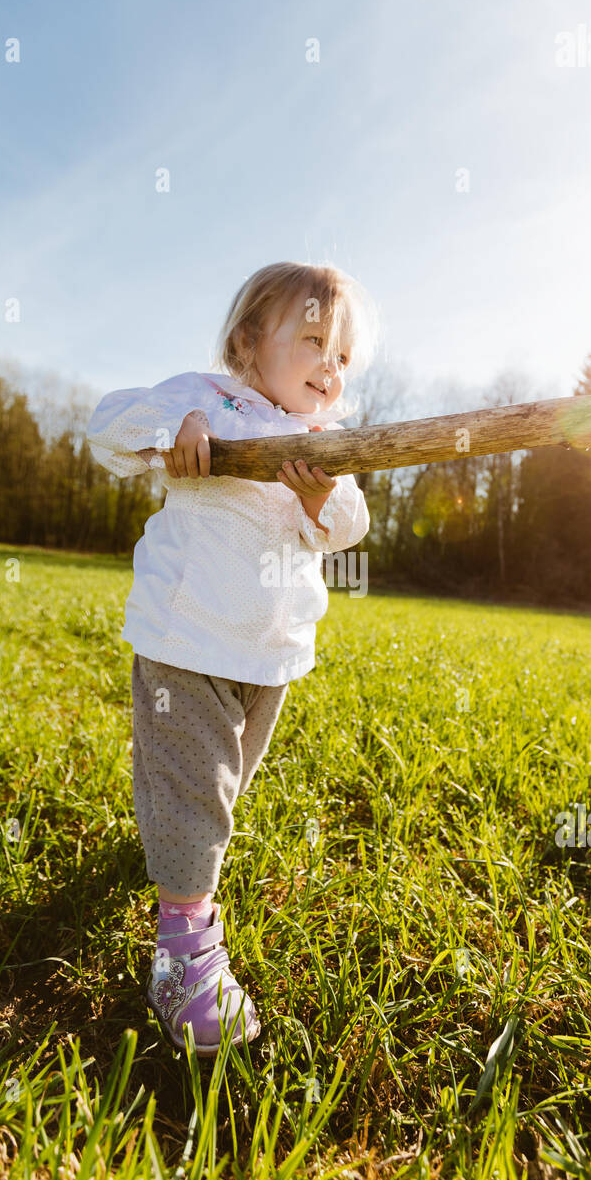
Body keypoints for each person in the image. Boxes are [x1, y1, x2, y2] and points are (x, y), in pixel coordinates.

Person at [85, 261, 378, 1055]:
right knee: (199, 789)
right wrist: (169, 436)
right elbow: (106, 427)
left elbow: (348, 524)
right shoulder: (207, 400)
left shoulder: (325, 444)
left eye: (343, 355)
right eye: (313, 339)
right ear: (251, 339)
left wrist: (323, 498)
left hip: (269, 657)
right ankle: (183, 953)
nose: (330, 365)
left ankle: (172, 839)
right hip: (189, 641)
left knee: (221, 786)